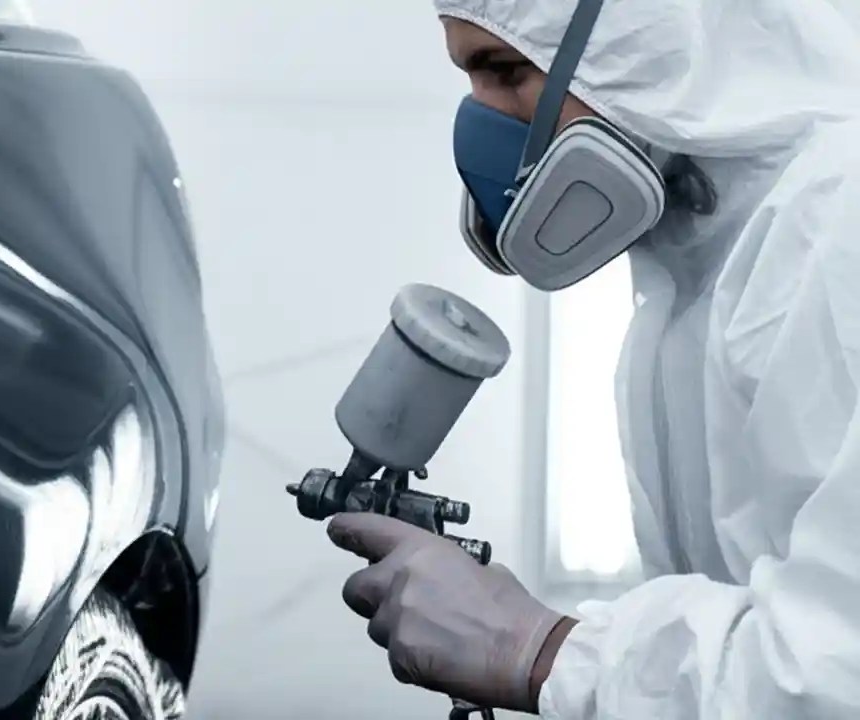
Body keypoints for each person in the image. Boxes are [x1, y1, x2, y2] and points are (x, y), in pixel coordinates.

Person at [325, 0, 860, 717]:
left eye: (505, 70)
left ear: (641, 41)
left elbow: (833, 672)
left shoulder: (833, 228)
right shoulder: (684, 291)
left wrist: (545, 651)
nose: (480, 121)